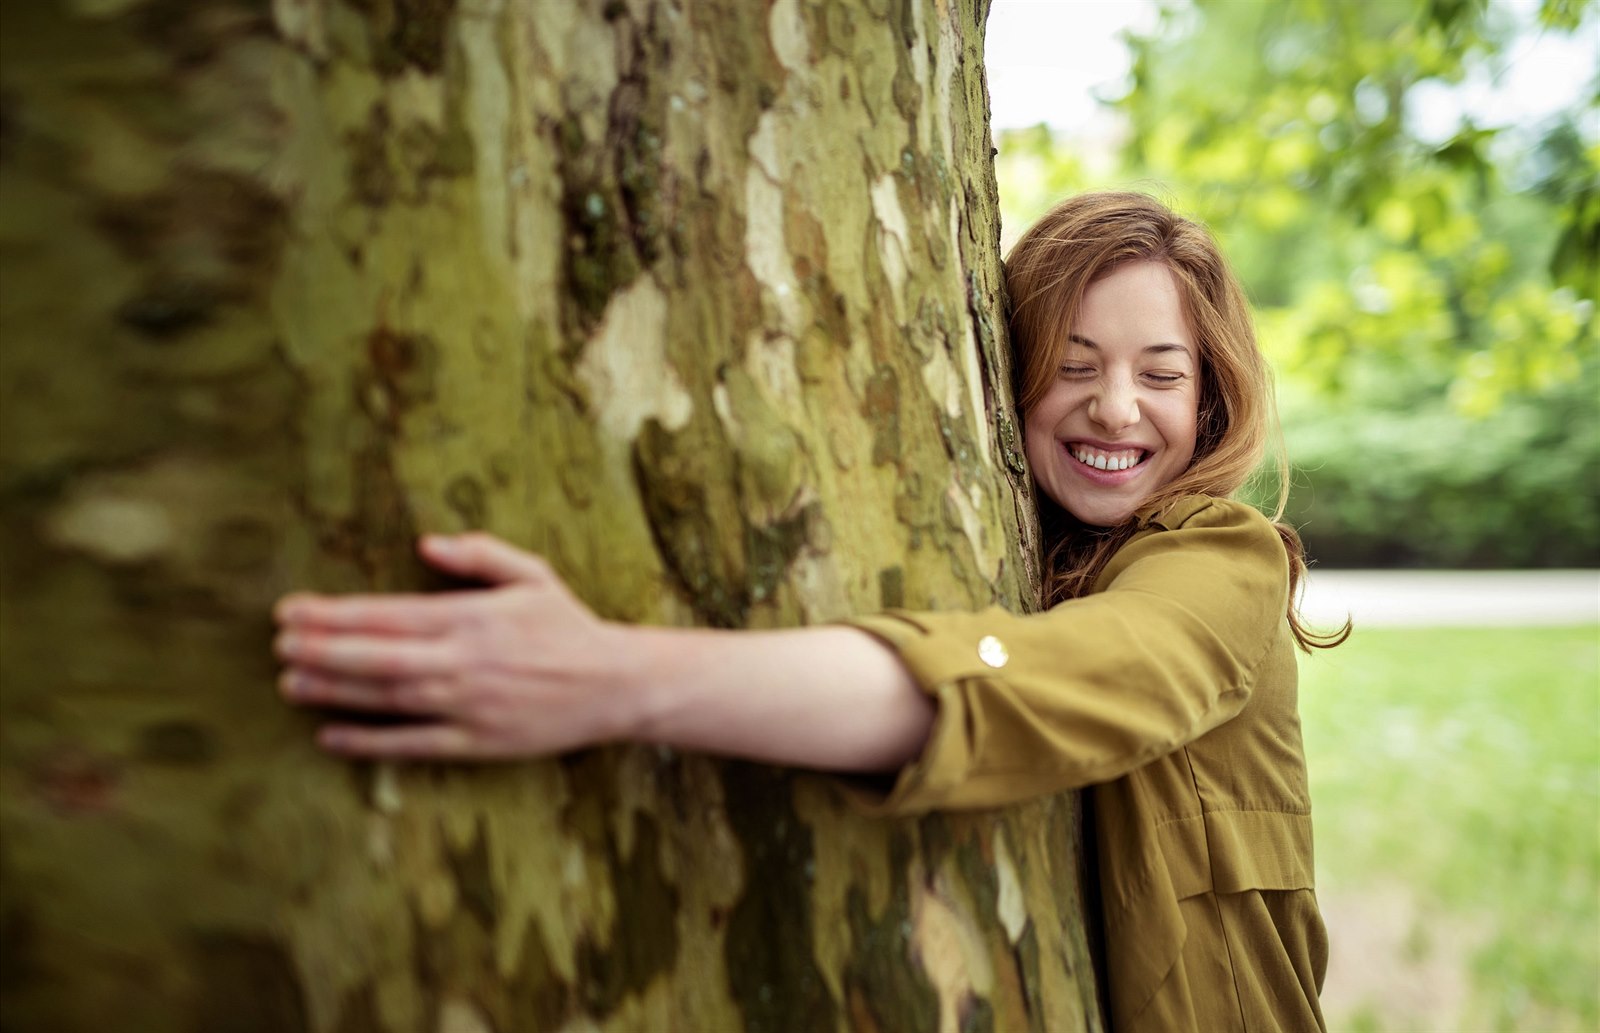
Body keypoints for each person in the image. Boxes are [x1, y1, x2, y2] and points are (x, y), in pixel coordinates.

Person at [274, 191, 1348, 1031]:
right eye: (1071, 366)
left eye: (1159, 375)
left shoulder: (1223, 561)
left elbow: (1082, 672)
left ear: (1208, 399)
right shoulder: (1005, 547)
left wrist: (604, 676)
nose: (1115, 407)